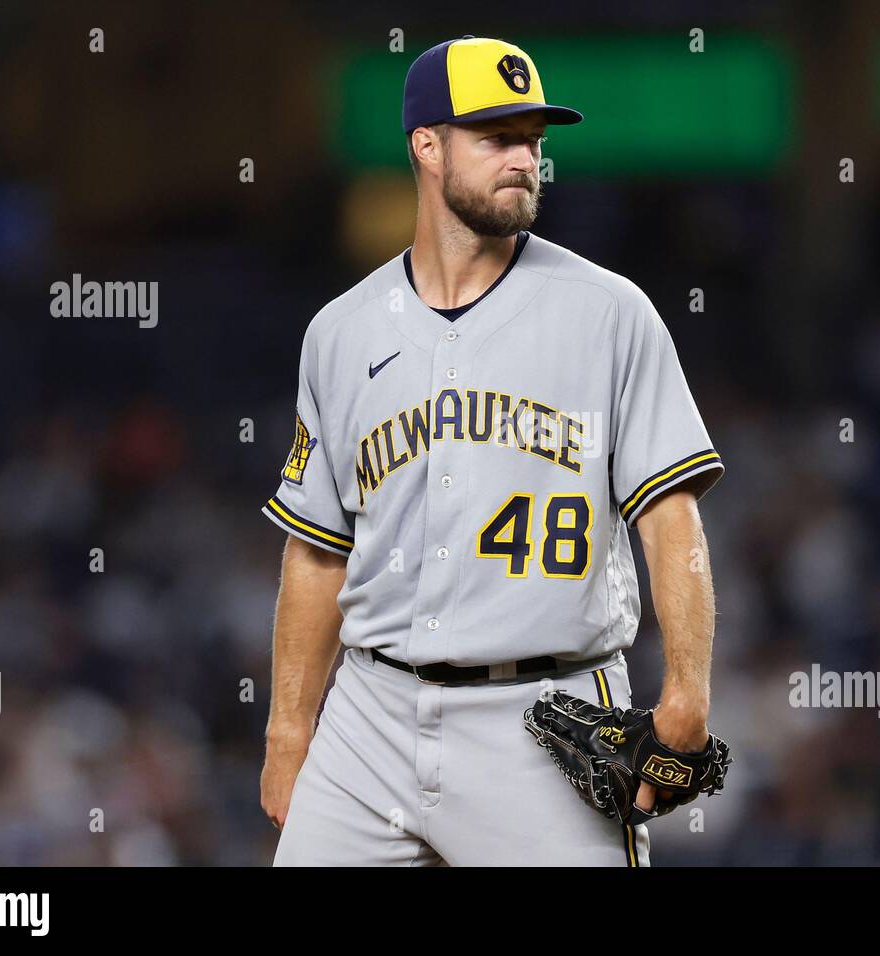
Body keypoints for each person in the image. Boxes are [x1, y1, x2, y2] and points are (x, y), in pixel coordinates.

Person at [259, 35, 724, 866]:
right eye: (497, 138)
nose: (525, 160)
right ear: (426, 146)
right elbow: (317, 553)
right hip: (370, 716)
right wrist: (289, 729)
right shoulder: (340, 332)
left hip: (545, 718)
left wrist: (687, 690)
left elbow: (670, 519)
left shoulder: (609, 313)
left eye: (534, 141)